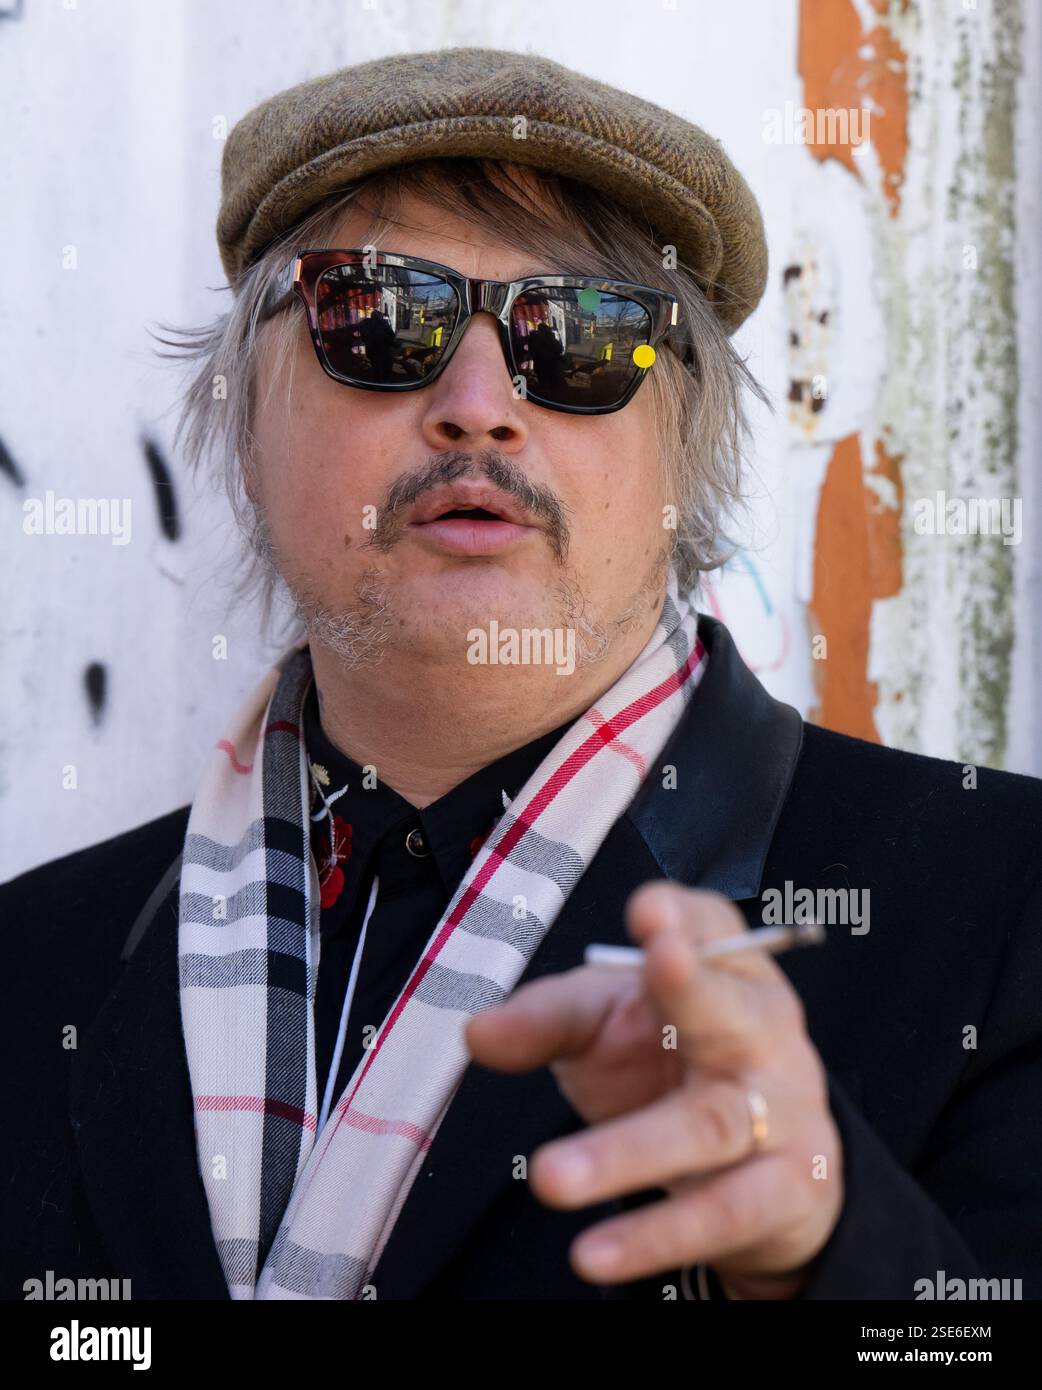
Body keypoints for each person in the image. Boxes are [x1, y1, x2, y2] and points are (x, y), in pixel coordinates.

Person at [3, 46, 1040, 1304]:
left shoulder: (1001, 906)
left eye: (583, 336)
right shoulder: (30, 960)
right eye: (378, 314)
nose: (479, 403)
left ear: (684, 451)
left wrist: (837, 1250)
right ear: (246, 420)